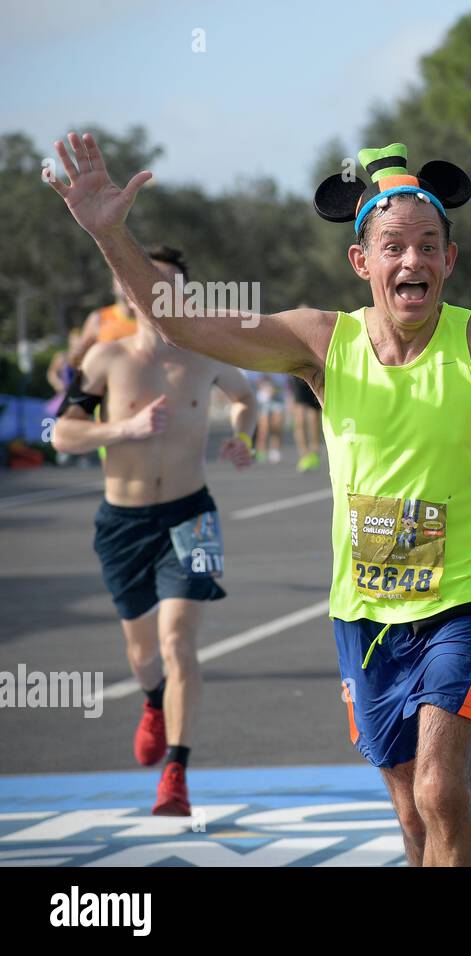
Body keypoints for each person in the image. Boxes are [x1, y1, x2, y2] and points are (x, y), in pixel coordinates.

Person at [49, 134, 471, 865]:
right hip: (365, 609)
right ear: (363, 261)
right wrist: (111, 233)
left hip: (470, 595)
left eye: (426, 245)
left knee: (443, 793)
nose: (411, 260)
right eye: (393, 246)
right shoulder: (321, 340)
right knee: (414, 819)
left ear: (450, 258)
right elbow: (180, 321)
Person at [50, 244, 257, 816]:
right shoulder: (105, 360)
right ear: (128, 293)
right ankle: (151, 701)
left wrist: (245, 434)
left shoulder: (205, 354)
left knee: (177, 643)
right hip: (122, 523)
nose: (156, 295)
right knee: (142, 651)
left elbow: (244, 399)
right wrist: (125, 428)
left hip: (193, 516)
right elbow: (62, 435)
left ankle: (176, 774)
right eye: (146, 285)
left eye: (168, 287)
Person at [254, 373, 287, 463]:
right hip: (264, 400)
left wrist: (275, 390)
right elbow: (255, 380)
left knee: (276, 426)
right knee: (264, 428)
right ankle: (261, 450)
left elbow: (284, 384)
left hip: (278, 400)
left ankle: (275, 450)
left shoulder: (280, 371)